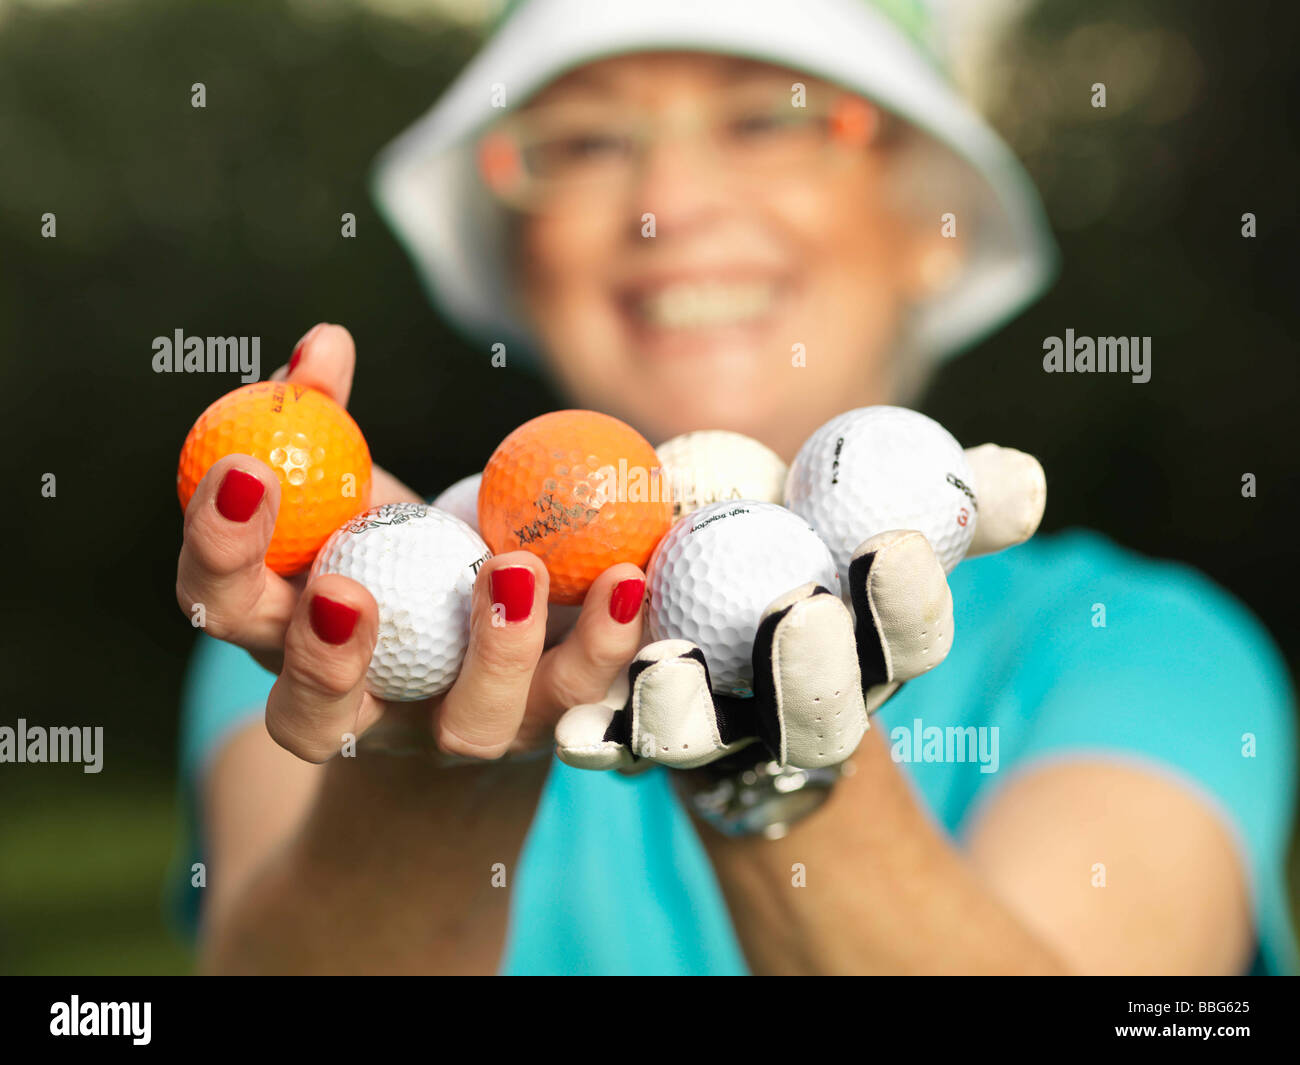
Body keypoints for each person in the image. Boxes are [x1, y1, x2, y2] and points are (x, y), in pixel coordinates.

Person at [173, 0, 1297, 974]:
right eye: (586, 139)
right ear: (524, 255)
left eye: (774, 115)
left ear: (931, 227)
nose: (671, 198)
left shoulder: (1136, 646)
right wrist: (424, 756)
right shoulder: (331, 624)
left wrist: (781, 775)